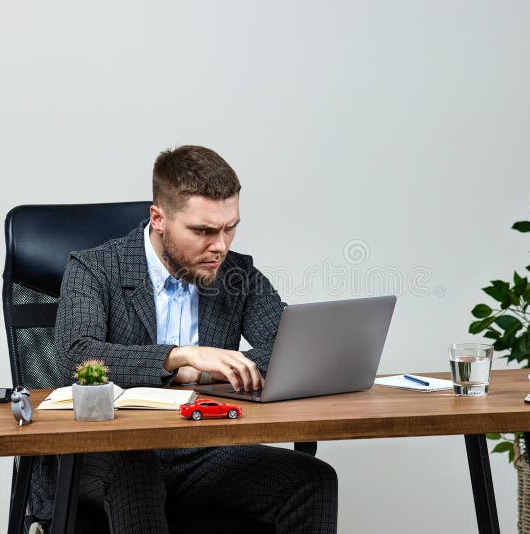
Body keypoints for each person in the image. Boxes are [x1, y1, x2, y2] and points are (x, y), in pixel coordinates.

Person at [30, 145, 338, 534]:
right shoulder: (94, 268)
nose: (220, 246)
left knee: (313, 482)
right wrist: (180, 358)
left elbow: (290, 350)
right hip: (107, 453)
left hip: (200, 448)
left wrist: (204, 375)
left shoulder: (235, 273)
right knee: (135, 469)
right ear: (158, 219)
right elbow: (76, 356)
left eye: (230, 227)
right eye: (204, 231)